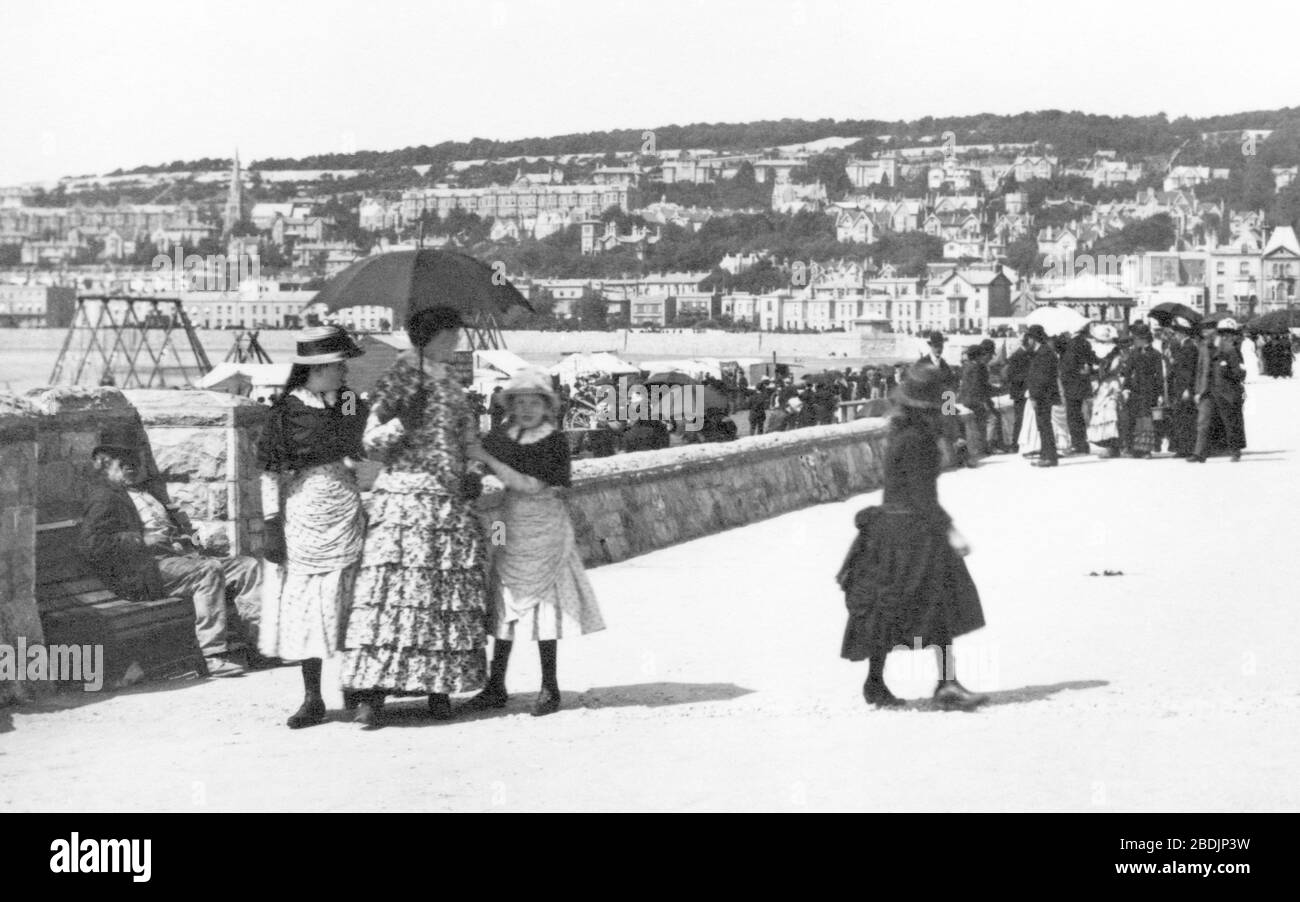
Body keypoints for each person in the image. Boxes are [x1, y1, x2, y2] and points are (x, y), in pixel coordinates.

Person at [340, 307, 489, 727]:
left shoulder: (452, 382)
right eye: (450, 335)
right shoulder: (399, 378)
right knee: (392, 594)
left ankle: (437, 685)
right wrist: (404, 420)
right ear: (431, 337)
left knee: (439, 595)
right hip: (404, 501)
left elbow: (469, 438)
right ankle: (372, 692)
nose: (456, 342)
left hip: (447, 503)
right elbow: (369, 444)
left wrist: (474, 471)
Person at [836, 363, 988, 710]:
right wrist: (950, 530)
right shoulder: (919, 439)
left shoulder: (902, 431)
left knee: (890, 610)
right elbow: (922, 495)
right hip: (914, 532)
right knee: (938, 603)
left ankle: (881, 682)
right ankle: (944, 683)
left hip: (891, 530)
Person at [462, 368, 605, 716]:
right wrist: (473, 470)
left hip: (545, 524)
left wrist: (486, 459)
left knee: (544, 606)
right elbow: (482, 466)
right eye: (520, 403)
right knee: (503, 599)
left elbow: (530, 484)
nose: (527, 410)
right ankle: (495, 684)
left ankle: (549, 687)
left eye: (534, 403)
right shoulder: (503, 435)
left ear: (546, 406)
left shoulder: (553, 441)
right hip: (505, 522)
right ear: (510, 406)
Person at [256, 325, 370, 727]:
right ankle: (312, 697)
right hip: (304, 510)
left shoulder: (348, 401)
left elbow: (358, 441)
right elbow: (270, 471)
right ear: (318, 368)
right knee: (308, 605)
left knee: (351, 599)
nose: (345, 371)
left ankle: (356, 689)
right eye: (340, 365)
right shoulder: (287, 412)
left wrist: (357, 451)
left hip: (345, 506)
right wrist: (272, 523)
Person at [81, 444, 260, 678]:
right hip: (146, 570)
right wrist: (141, 540)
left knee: (246, 566)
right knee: (208, 571)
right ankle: (212, 656)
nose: (132, 468)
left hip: (181, 560)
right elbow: (92, 544)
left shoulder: (152, 492)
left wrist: (196, 542)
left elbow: (184, 528)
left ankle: (259, 645)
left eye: (135, 463)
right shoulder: (105, 497)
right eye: (124, 465)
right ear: (107, 467)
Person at [1189, 318, 1247, 463]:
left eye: (1207, 330)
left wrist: (1226, 370)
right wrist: (1198, 391)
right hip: (1207, 391)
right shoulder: (1203, 347)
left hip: (1225, 391)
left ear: (1215, 331)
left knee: (1229, 422)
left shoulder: (1229, 349)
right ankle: (1199, 453)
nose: (1204, 333)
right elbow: (1200, 370)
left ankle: (1235, 451)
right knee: (1203, 422)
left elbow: (1239, 373)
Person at [1120, 322, 1165, 458]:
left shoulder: (1155, 354)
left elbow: (1159, 375)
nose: (1134, 341)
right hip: (1135, 390)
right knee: (1133, 419)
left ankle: (1146, 450)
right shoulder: (1134, 353)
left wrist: (1161, 394)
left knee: (1146, 420)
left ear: (1143, 339)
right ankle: (1134, 448)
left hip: (1150, 391)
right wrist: (1125, 388)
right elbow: (1128, 372)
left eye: (1136, 338)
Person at [1022, 324, 1061, 467]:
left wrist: (1034, 396)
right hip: (1044, 394)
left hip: (1043, 395)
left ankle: (1049, 457)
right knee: (1043, 426)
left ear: (1033, 338)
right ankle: (1046, 455)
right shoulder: (1043, 352)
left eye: (1029, 338)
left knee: (1045, 425)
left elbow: (1042, 378)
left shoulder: (1044, 353)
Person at [1163, 317, 1199, 457]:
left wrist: (1187, 389)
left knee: (1187, 418)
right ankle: (1181, 448)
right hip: (1178, 386)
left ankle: (1188, 448)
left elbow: (1190, 370)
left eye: (1177, 332)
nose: (1175, 335)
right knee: (1179, 417)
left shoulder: (1190, 347)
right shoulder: (1182, 346)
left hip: (1185, 387)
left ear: (1183, 332)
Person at [1058, 324, 1097, 455]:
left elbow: (1069, 364)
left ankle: (1078, 444)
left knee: (1073, 415)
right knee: (1078, 414)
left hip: (1072, 383)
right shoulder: (1084, 343)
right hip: (1081, 383)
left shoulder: (1072, 344)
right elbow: (1090, 361)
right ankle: (1082, 443)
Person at [1086, 324, 1123, 457]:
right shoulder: (1100, 352)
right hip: (1103, 385)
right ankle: (1108, 445)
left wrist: (1100, 372)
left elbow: (1114, 368)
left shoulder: (1115, 352)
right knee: (1102, 413)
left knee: (1111, 413)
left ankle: (1113, 446)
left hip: (1110, 384)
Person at [1002, 333, 1032, 453]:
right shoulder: (1019, 355)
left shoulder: (1021, 354)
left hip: (1020, 391)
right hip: (1020, 392)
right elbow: (1012, 375)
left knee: (1022, 418)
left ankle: (1019, 444)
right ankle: (1016, 444)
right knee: (1020, 418)